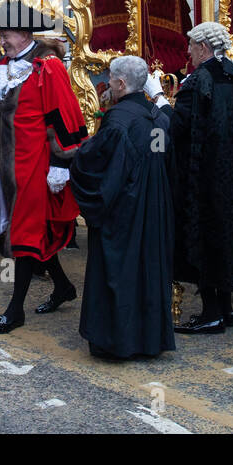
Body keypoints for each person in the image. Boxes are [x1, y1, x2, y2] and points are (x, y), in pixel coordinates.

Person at [0, 0, 89, 335]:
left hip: (36, 167)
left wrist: (61, 164)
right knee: (31, 232)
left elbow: (64, 116)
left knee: (24, 235)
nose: (2, 39)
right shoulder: (1, 68)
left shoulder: (47, 68)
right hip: (5, 168)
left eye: (7, 33)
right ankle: (62, 285)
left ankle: (15, 310)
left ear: (25, 32)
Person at [54, 55, 175, 360]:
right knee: (148, 269)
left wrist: (66, 156)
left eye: (110, 79)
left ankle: (118, 341)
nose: (106, 85)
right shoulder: (157, 116)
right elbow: (161, 155)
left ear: (121, 84)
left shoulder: (118, 119)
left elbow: (98, 163)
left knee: (120, 270)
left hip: (126, 208)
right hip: (155, 205)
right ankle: (149, 340)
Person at [164, 21, 233, 334]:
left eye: (191, 46)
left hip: (203, 177)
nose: (188, 52)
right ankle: (225, 309)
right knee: (225, 240)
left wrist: (161, 103)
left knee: (205, 241)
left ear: (204, 47)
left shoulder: (197, 82)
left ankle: (211, 313)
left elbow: (178, 129)